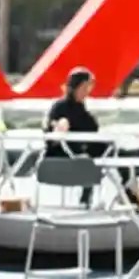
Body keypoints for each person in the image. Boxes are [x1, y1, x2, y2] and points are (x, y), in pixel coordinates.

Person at [43, 68, 107, 205]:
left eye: (89, 87)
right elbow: (51, 132)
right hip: (61, 157)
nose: (87, 91)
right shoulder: (60, 107)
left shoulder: (84, 112)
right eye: (84, 87)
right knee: (91, 159)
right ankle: (86, 199)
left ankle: (129, 193)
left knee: (110, 152)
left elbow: (93, 132)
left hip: (82, 154)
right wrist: (59, 127)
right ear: (74, 87)